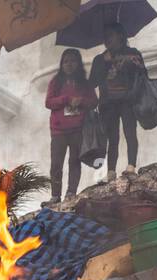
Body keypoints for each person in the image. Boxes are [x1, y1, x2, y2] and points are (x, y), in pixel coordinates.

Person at [89, 23, 146, 180]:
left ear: (121, 35)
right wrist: (107, 66)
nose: (107, 39)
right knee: (111, 138)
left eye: (110, 35)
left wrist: (137, 66)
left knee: (130, 132)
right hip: (108, 104)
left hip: (128, 100)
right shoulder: (99, 59)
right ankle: (111, 171)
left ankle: (131, 166)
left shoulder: (132, 53)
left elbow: (143, 75)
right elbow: (92, 83)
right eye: (105, 36)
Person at [45, 49, 97, 203]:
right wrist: (66, 99)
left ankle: (71, 192)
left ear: (78, 63)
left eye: (73, 61)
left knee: (75, 161)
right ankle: (55, 195)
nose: (69, 64)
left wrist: (81, 101)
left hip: (78, 129)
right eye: (65, 61)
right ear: (61, 64)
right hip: (58, 130)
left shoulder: (85, 84)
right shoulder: (55, 82)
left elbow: (94, 101)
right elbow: (48, 102)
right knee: (56, 163)